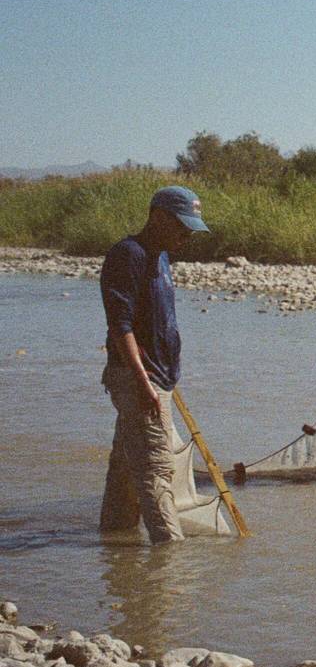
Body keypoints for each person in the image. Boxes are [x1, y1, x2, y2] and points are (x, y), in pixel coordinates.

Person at [99, 185, 211, 543]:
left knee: (126, 469)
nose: (187, 235)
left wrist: (165, 378)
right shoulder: (128, 255)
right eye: (182, 226)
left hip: (156, 379)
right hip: (139, 379)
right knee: (156, 472)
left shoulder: (161, 256)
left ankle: (114, 542)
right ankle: (168, 563)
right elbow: (121, 325)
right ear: (158, 217)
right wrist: (144, 382)